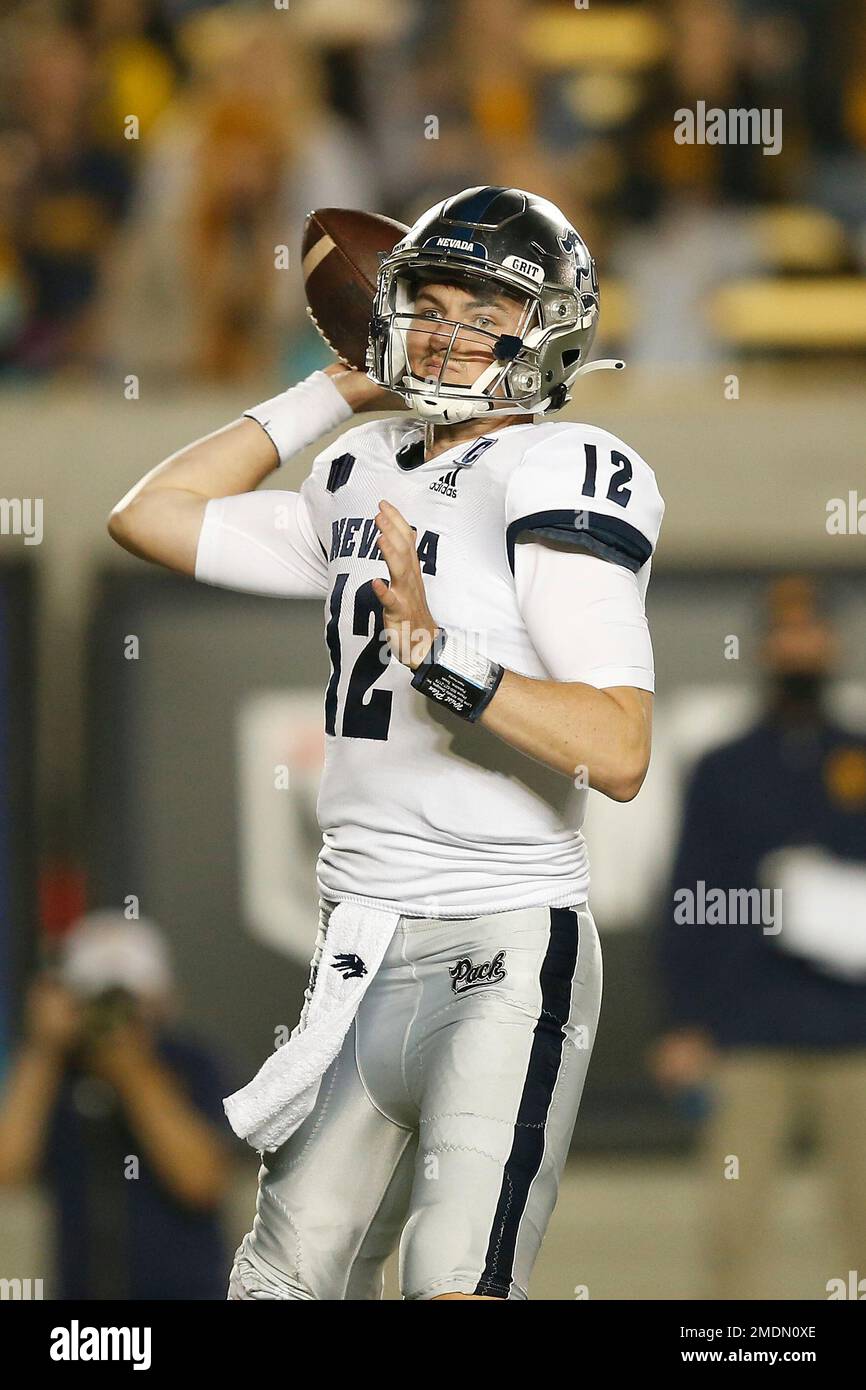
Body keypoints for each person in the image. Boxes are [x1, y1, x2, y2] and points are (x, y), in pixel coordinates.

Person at [108, 185, 665, 1300]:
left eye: (483, 309)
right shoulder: (359, 466)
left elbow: (615, 748)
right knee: (275, 1289)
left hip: (500, 942)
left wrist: (443, 654)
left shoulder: (558, 467)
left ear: (545, 328)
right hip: (356, 946)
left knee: (452, 1286)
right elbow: (151, 515)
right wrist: (327, 393)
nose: (448, 333)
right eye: (430, 303)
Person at [651, 576, 866, 1299]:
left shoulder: (860, 759)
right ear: (764, 646)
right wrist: (683, 1021)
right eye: (784, 632)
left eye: (811, 631)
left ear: (830, 643)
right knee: (734, 1234)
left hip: (856, 1034)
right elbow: (688, 898)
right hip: (747, 1033)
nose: (798, 645)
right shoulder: (725, 768)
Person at [0, 911, 234, 1299]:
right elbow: (7, 1171)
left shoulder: (191, 1064)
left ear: (163, 1001)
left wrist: (132, 1073)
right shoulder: (57, 1073)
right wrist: (43, 1049)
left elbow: (202, 1181)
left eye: (127, 999)